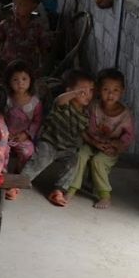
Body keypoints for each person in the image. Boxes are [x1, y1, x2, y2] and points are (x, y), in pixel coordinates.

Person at [20, 69, 95, 207]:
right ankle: (19, 184)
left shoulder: (85, 114)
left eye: (91, 90)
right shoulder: (64, 104)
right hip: (50, 142)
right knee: (40, 160)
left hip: (67, 148)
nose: (87, 94)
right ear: (69, 91)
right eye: (82, 90)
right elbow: (59, 100)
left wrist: (95, 142)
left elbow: (82, 132)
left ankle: (58, 190)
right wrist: (73, 94)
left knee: (74, 162)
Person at [66, 68, 134, 209]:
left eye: (115, 90)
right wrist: (93, 142)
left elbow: (128, 136)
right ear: (98, 90)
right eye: (106, 89)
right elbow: (83, 125)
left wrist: (116, 145)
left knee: (98, 161)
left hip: (110, 148)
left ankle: (105, 196)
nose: (110, 94)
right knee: (81, 155)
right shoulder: (94, 106)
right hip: (91, 142)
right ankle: (71, 188)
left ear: (122, 91)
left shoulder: (125, 115)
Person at [0, 0, 50, 73]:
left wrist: (41, 69)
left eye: (22, 4)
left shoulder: (38, 28)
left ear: (34, 6)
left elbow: (44, 53)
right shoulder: (6, 24)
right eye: (14, 4)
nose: (16, 8)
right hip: (6, 69)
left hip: (27, 72)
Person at [3, 60, 41, 190]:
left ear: (31, 80)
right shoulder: (6, 99)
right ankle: (1, 176)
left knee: (27, 152)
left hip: (23, 137)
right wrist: (4, 132)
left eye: (24, 79)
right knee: (1, 150)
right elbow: (0, 117)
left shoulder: (34, 102)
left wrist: (26, 134)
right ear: (9, 82)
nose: (20, 83)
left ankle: (18, 173)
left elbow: (37, 121)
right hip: (5, 135)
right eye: (15, 80)